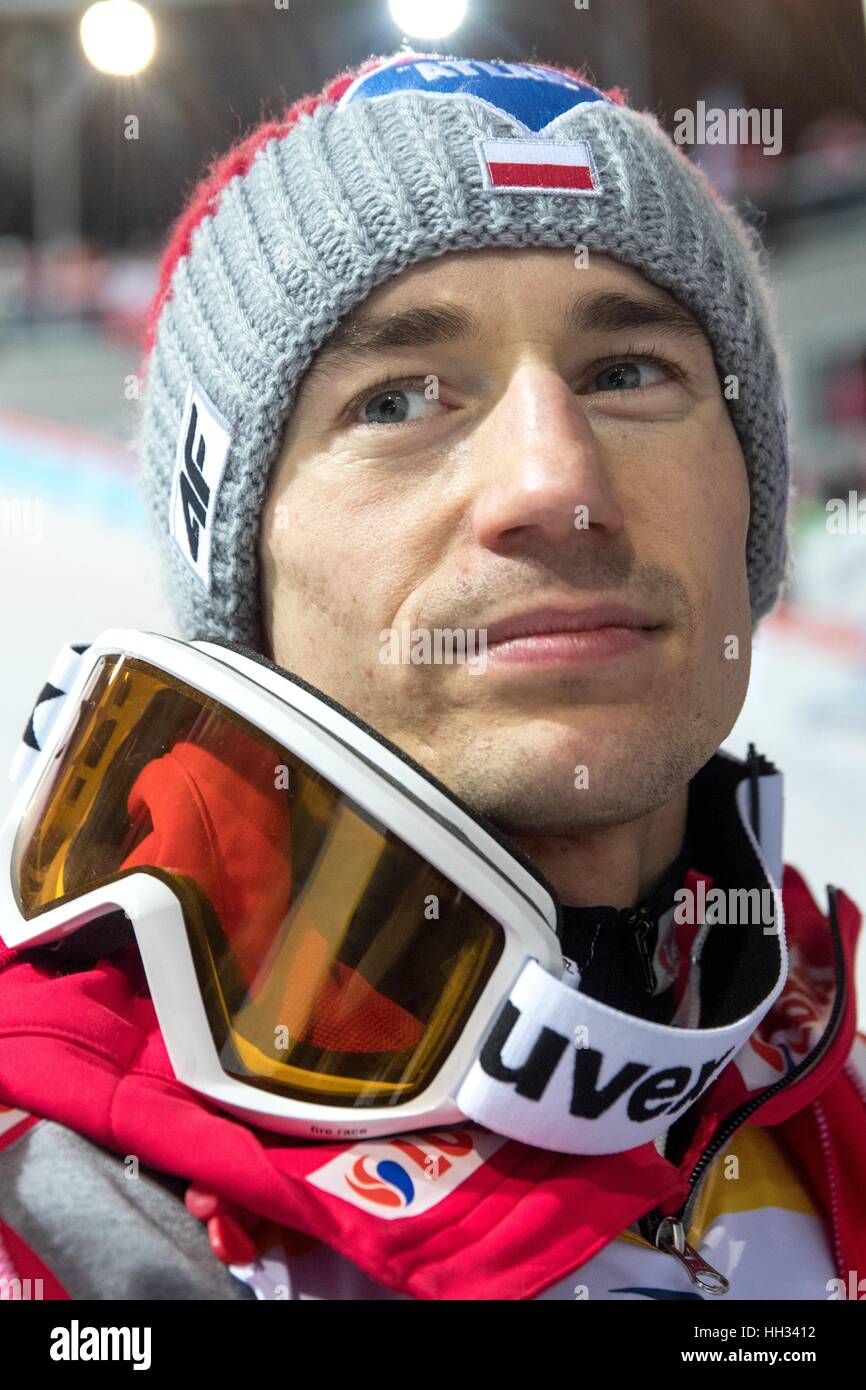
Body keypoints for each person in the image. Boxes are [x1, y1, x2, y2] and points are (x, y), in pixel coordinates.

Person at [1, 50, 865, 1303]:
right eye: (399, 397)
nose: (552, 484)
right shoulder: (57, 1207)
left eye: (628, 374)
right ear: (242, 567)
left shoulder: (822, 1086)